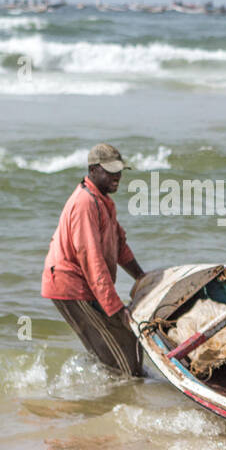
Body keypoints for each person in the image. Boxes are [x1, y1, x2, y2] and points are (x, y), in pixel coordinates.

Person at [41, 143, 146, 377]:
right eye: (110, 171)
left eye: (119, 171)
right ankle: (122, 388)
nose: (117, 177)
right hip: (71, 286)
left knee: (126, 341)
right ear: (93, 170)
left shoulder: (103, 201)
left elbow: (119, 245)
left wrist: (142, 277)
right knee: (120, 353)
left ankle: (100, 384)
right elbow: (92, 260)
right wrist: (116, 308)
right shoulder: (85, 203)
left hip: (87, 285)